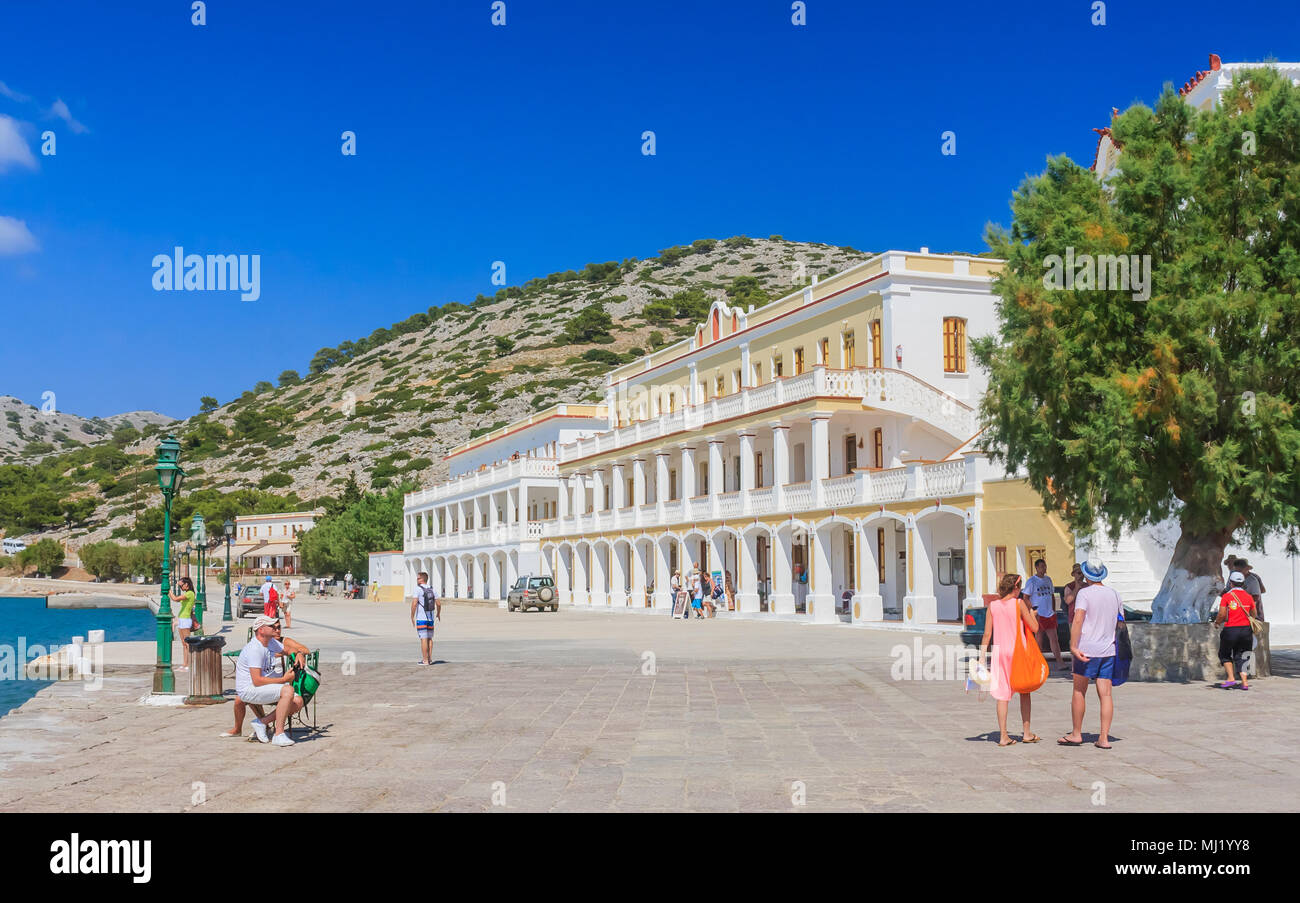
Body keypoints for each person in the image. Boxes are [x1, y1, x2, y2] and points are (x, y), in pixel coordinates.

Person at [1059, 558, 1122, 749]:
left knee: (1079, 690)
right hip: (1108, 649)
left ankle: (1077, 733)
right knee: (1106, 694)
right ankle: (1104, 737)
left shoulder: (1085, 594)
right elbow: (1120, 622)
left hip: (1086, 648)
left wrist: (1073, 645)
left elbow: (1078, 619)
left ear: (1086, 574)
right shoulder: (1114, 594)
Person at [978, 572, 1041, 746]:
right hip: (1018, 653)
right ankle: (1027, 733)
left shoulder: (993, 606)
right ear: (1015, 588)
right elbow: (1034, 628)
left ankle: (1003, 736)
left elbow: (987, 634)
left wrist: (982, 658)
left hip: (999, 653)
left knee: (1002, 696)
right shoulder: (1019, 604)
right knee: (1024, 691)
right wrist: (1032, 614)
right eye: (1020, 587)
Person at [221, 619, 308, 739]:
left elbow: (288, 650)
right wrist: (284, 679)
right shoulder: (255, 649)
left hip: (266, 685)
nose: (275, 629)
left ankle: (262, 722)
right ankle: (278, 734)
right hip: (250, 689)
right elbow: (257, 681)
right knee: (287, 690)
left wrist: (298, 653)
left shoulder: (270, 642)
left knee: (298, 701)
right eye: (271, 626)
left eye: (277, 626)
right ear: (261, 630)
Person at [1214, 571, 1256, 689]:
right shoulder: (1248, 597)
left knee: (1224, 654)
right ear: (1242, 583)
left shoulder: (1227, 596)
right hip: (1246, 630)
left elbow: (1222, 613)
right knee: (1242, 655)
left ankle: (1231, 678)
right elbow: (1254, 613)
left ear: (1231, 583)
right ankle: (1244, 682)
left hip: (1231, 630)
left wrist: (1217, 622)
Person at [1023, 559, 1067, 670]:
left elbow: (1052, 595)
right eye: (1042, 566)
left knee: (1054, 638)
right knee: (1038, 639)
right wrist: (1032, 610)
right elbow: (1025, 597)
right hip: (1038, 614)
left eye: (1045, 566)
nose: (1044, 568)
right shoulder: (1032, 581)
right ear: (1036, 568)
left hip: (1049, 614)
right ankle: (1036, 663)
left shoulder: (1048, 580)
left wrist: (1053, 610)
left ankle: (1060, 662)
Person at [410, 571, 440, 665]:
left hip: (421, 618)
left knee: (423, 638)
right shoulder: (432, 589)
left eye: (418, 578)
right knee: (430, 638)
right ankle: (430, 659)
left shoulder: (418, 589)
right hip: (430, 618)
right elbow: (438, 603)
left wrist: (412, 615)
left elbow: (414, 603)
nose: (417, 579)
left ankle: (425, 660)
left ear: (422, 579)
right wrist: (438, 613)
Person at [170, 576, 197, 672]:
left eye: (181, 586)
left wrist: (168, 590)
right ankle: (184, 664)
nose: (181, 588)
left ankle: (189, 664)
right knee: (184, 644)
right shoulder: (187, 593)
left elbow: (175, 599)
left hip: (186, 620)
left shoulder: (190, 593)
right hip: (182, 619)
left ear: (187, 585)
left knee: (187, 644)